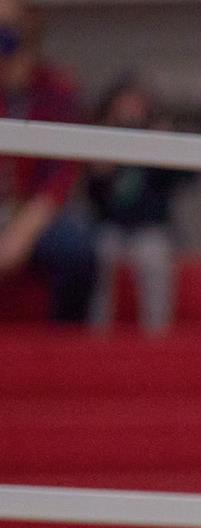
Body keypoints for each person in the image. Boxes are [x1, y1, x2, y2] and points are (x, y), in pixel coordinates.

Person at [0, 0, 94, 324]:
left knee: (77, 252)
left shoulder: (57, 87)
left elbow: (63, 171)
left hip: (37, 210)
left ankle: (66, 351)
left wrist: (24, 228)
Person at [86, 74, 194, 336]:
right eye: (125, 104)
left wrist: (166, 151)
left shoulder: (156, 138)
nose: (131, 111)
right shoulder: (102, 139)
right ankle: (97, 336)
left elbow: (184, 180)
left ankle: (156, 336)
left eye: (137, 104)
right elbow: (93, 197)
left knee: (154, 255)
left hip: (150, 227)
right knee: (101, 253)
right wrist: (101, 169)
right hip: (111, 226)